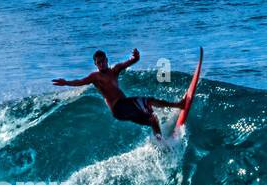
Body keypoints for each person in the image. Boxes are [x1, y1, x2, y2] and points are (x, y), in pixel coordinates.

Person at [52, 48, 181, 136]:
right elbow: (80, 81)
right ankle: (178, 105)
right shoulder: (95, 77)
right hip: (118, 107)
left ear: (107, 60)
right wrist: (66, 82)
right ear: (95, 64)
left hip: (124, 110)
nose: (101, 64)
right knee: (148, 101)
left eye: (103, 61)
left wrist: (136, 57)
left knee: (153, 120)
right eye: (98, 63)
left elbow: (130, 62)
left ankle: (161, 143)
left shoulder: (115, 70)